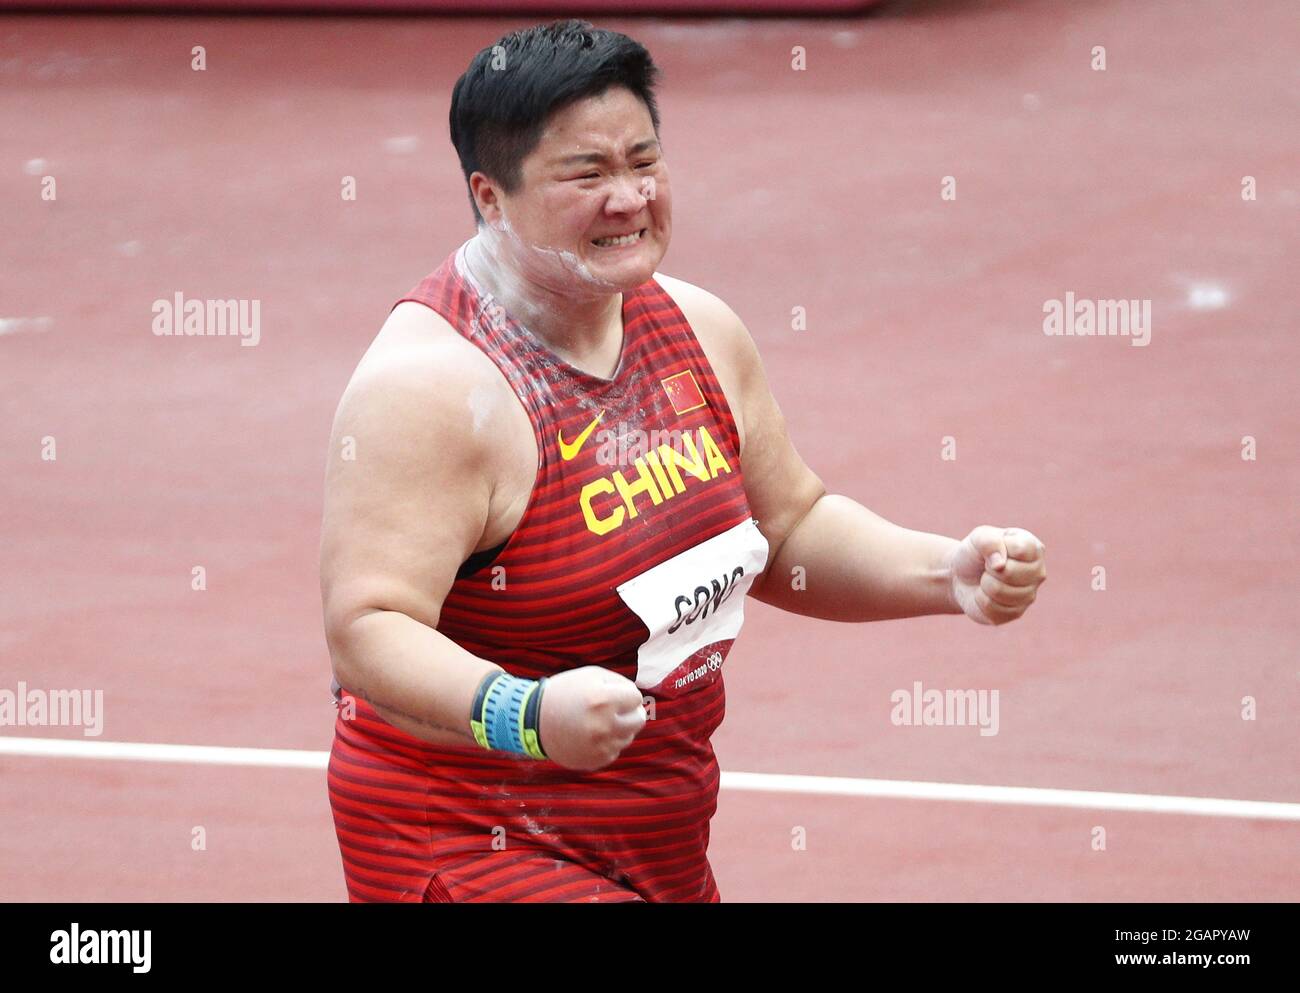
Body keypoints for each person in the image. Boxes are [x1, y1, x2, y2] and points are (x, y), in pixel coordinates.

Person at [320, 19, 1046, 903]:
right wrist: (528, 713)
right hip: (471, 838)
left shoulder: (697, 327)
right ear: (491, 196)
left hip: (652, 834)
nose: (628, 197)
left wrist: (946, 573)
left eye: (643, 161)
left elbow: (785, 527)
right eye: (586, 173)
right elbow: (368, 628)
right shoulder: (433, 389)